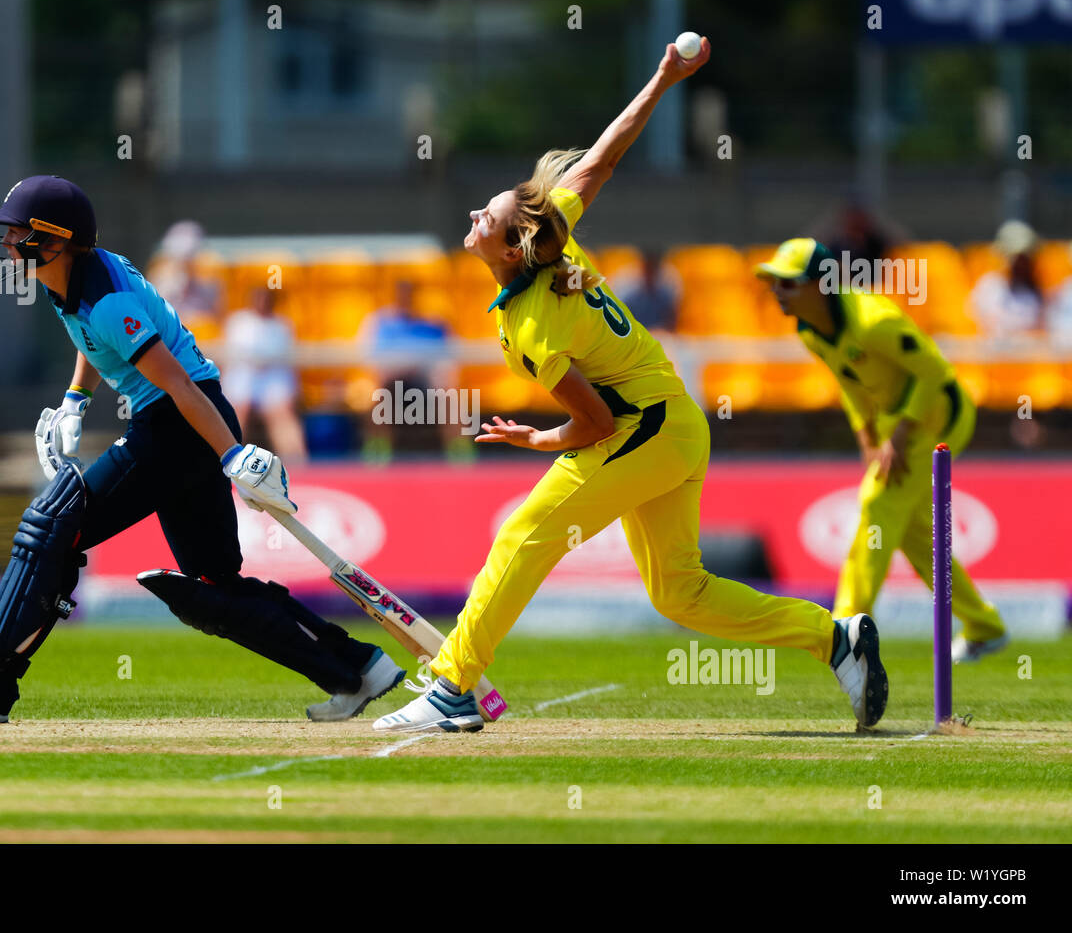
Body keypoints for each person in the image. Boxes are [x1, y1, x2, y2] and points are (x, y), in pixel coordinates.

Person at [374, 39, 888, 734]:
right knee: (682, 595)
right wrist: (662, 76)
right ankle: (838, 639)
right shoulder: (553, 234)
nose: (474, 218)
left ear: (508, 250)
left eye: (485, 219)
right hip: (674, 426)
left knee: (524, 535)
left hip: (644, 428)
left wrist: (540, 439)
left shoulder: (534, 321)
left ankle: (453, 686)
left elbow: (593, 426)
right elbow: (604, 158)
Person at [0, 176, 403, 723]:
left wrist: (231, 454)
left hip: (180, 423)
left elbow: (179, 385)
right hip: (186, 422)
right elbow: (92, 345)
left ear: (56, 237)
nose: (6, 243)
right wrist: (77, 397)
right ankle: (357, 668)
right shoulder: (69, 280)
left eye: (17, 232)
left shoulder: (104, 300)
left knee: (54, 528)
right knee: (216, 586)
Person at [757, 237, 1008, 664]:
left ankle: (848, 626)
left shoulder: (873, 321)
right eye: (774, 283)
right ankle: (984, 626)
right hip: (897, 420)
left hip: (941, 416)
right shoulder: (810, 331)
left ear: (821, 285)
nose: (777, 292)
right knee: (913, 534)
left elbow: (934, 372)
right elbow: (850, 383)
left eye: (788, 283)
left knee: (876, 502)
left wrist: (900, 436)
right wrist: (867, 438)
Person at [358, 279, 461, 460]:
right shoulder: (379, 323)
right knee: (378, 391)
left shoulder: (433, 324)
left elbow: (449, 358)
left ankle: (458, 449)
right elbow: (371, 359)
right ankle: (378, 449)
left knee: (448, 392)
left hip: (426, 379)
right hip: (392, 379)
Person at [221, 286, 307, 462]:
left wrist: (293, 393)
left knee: (280, 414)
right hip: (242, 380)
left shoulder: (282, 325)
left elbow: (286, 364)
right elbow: (230, 360)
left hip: (274, 381)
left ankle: (297, 461)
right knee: (237, 412)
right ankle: (227, 460)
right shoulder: (237, 322)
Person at [969, 220, 1044, 336]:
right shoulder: (990, 286)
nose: (1021, 263)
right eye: (1017, 258)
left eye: (1025, 258)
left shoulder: (1036, 290)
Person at [612, 250, 679, 333]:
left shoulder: (665, 293)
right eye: (648, 269)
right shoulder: (630, 294)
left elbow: (671, 321)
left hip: (659, 335)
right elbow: (622, 318)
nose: (650, 273)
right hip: (636, 334)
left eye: (653, 270)